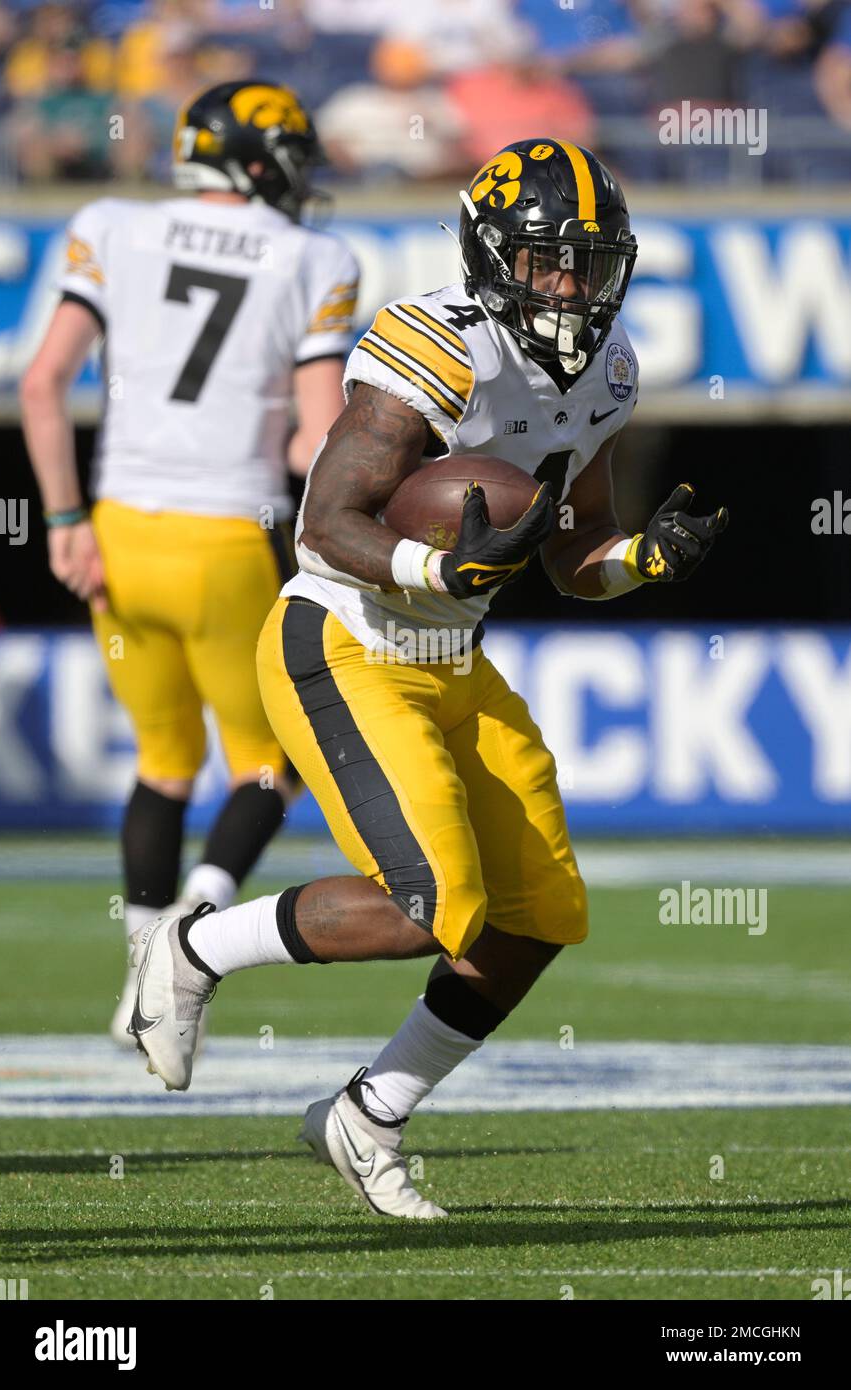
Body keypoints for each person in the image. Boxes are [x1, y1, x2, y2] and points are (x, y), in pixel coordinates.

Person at [130, 138, 727, 1214]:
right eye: (549, 261)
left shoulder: (608, 366)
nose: (570, 287)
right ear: (491, 254)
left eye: (590, 265)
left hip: (453, 653)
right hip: (346, 635)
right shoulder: (434, 346)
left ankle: (369, 1112)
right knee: (427, 905)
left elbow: (568, 553)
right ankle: (193, 944)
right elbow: (325, 521)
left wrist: (640, 559)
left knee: (540, 912)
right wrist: (435, 562)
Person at [20, 80, 359, 1046]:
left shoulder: (112, 224)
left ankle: (138, 974)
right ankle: (184, 941)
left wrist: (62, 519)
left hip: (119, 530)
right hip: (225, 540)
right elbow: (314, 440)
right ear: (259, 163)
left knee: (164, 762)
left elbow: (42, 385)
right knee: (271, 763)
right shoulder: (315, 255)